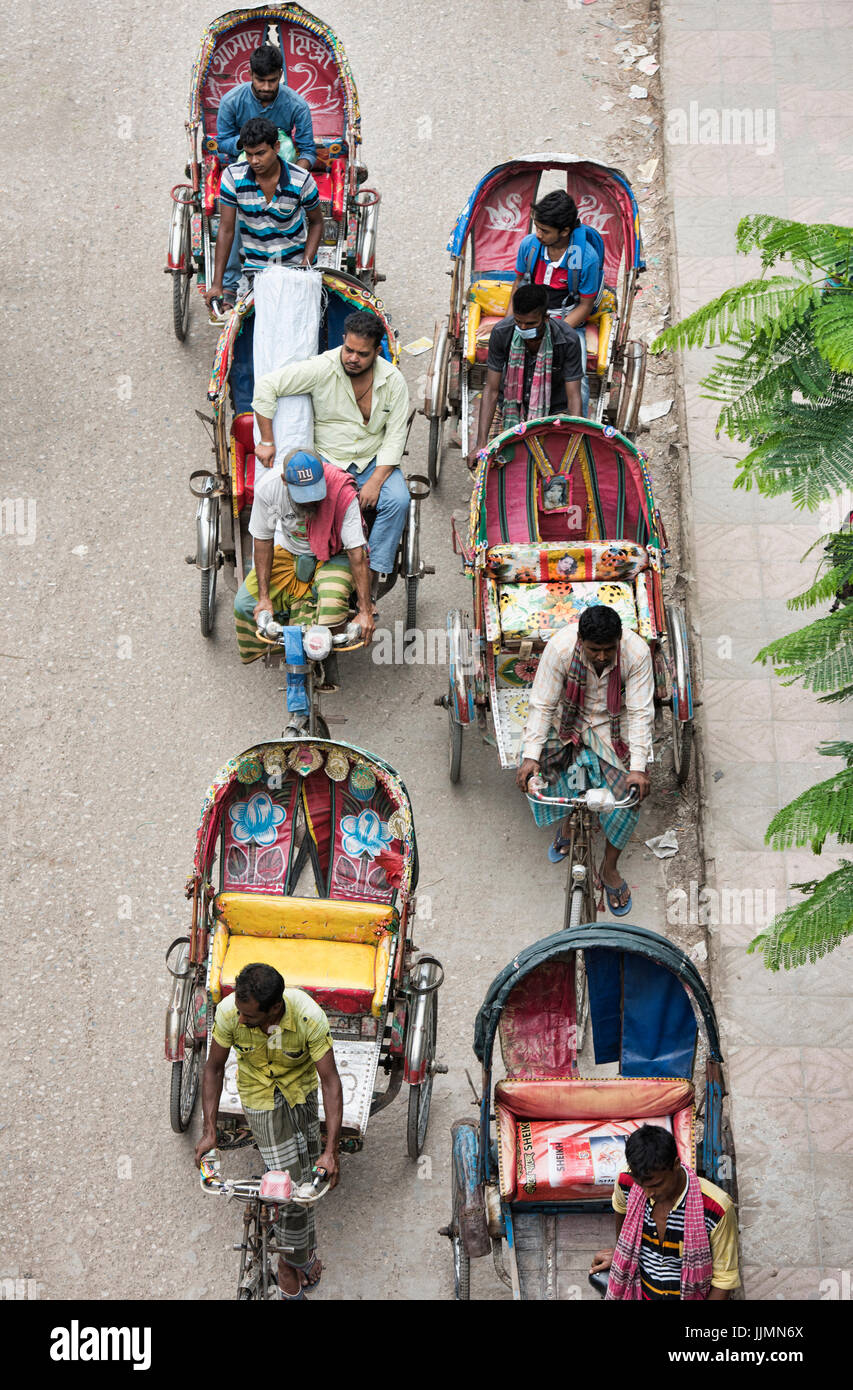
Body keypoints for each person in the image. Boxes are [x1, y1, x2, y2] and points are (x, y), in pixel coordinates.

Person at [194, 962, 344, 1300]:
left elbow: (331, 1081)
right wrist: (209, 1131)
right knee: (289, 1190)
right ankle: (292, 1263)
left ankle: (301, 1248)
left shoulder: (308, 1017)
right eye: (240, 1012)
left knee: (308, 1178)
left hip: (301, 1092)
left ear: (275, 1008)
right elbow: (213, 1068)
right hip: (260, 1097)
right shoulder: (231, 1015)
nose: (241, 1019)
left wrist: (331, 1151)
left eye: (250, 1016)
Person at [252, 311, 411, 595]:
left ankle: (371, 575)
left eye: (362, 354)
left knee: (399, 500)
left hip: (374, 460)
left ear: (377, 351)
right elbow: (266, 386)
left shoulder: (393, 381)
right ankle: (321, 561)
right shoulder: (322, 368)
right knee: (318, 502)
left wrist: (376, 480)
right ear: (343, 342)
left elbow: (396, 435)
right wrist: (266, 440)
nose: (352, 358)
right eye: (348, 350)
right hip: (330, 459)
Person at [515, 604, 653, 915]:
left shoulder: (637, 652)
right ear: (581, 642)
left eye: (608, 650)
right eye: (594, 650)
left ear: (619, 640)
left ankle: (609, 869)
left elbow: (643, 712)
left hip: (614, 727)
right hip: (568, 722)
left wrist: (639, 768)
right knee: (542, 775)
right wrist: (529, 758)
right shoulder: (560, 649)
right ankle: (567, 823)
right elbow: (542, 704)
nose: (602, 657)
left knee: (630, 798)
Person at [234, 448, 375, 666]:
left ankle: (326, 657)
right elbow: (263, 541)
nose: (310, 501)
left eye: (315, 492)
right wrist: (264, 598)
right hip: (291, 551)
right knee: (245, 603)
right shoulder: (269, 489)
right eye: (303, 494)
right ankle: (277, 644)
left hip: (334, 553)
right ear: (284, 481)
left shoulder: (341, 493)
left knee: (331, 602)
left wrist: (365, 610)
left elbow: (357, 554)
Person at [215, 43, 318, 308]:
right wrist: (249, 147)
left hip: (288, 173)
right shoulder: (231, 102)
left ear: (281, 75)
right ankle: (228, 283)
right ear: (250, 74)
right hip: (243, 172)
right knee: (235, 217)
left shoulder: (296, 104)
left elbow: (307, 150)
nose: (266, 87)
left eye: (273, 81)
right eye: (261, 80)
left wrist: (293, 180)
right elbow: (222, 141)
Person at [590, 1125, 740, 1300]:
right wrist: (620, 1256)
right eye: (641, 1184)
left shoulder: (716, 1208)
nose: (647, 1194)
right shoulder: (626, 1181)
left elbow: (724, 1280)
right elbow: (621, 1209)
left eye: (656, 1185)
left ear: (676, 1164)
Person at [202, 116, 323, 311]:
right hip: (258, 269)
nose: (254, 161)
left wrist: (305, 266)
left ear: (276, 147)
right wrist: (218, 284)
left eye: (260, 153)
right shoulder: (233, 176)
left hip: (295, 266)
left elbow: (317, 222)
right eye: (249, 155)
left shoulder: (301, 180)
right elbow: (226, 230)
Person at [511, 190, 605, 416]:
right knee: (509, 367)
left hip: (568, 322)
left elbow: (585, 305)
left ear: (564, 231)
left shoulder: (587, 259)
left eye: (545, 231)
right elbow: (518, 284)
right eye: (537, 227)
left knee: (578, 380)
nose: (538, 234)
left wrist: (555, 329)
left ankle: (577, 431)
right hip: (531, 315)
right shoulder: (530, 246)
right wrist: (509, 322)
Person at [473, 282, 583, 461]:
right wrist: (480, 444)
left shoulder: (568, 340)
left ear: (546, 318)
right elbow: (491, 389)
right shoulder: (502, 332)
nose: (523, 329)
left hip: (554, 411)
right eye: (519, 322)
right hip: (509, 407)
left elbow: (573, 396)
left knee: (556, 469)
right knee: (490, 463)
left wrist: (576, 441)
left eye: (531, 324)